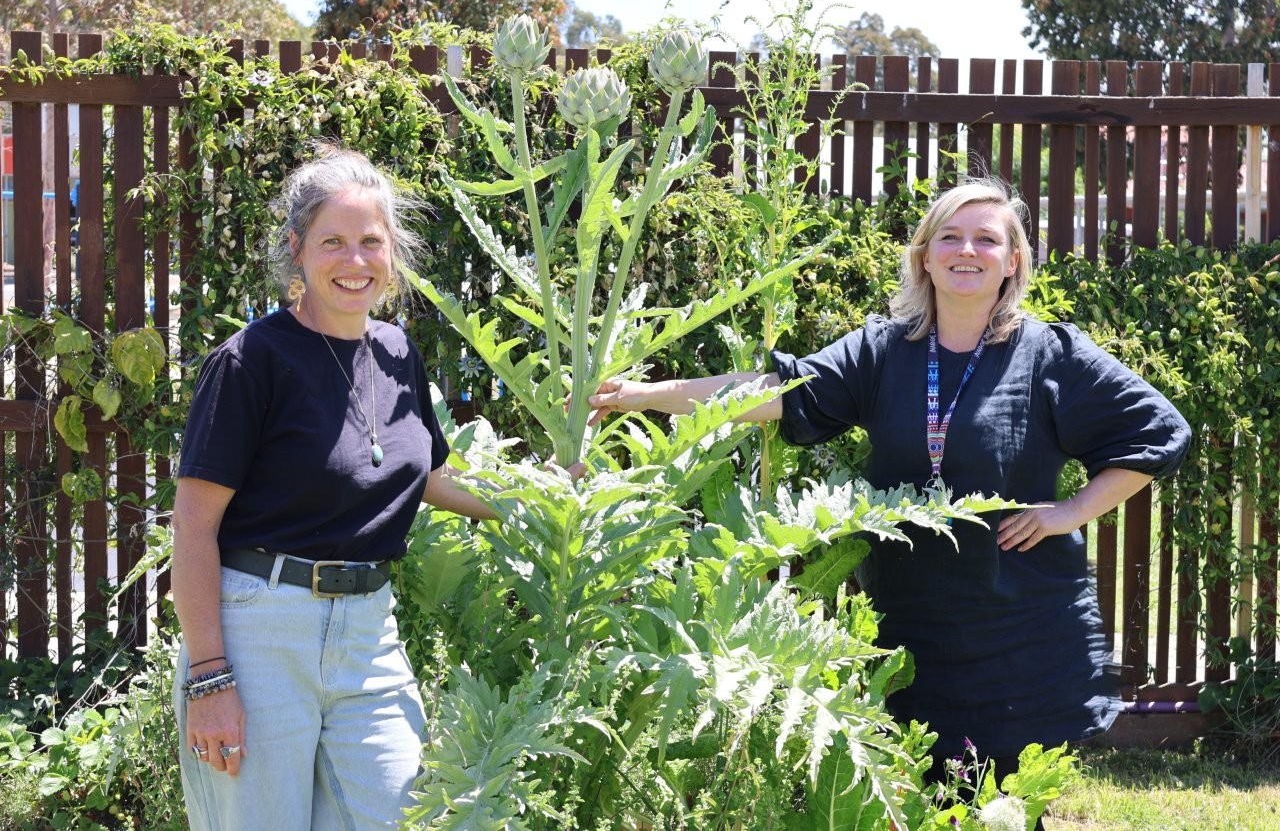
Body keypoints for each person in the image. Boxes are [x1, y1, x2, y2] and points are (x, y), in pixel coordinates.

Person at [587, 178, 1191, 818]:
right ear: (924, 256)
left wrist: (1070, 512)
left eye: (987, 239)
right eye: (950, 237)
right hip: (909, 626)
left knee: (1004, 812)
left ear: (1013, 261)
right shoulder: (883, 350)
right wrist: (645, 394)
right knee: (915, 802)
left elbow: (1159, 432)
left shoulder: (1048, 356)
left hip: (1015, 629)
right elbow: (775, 391)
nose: (967, 251)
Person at [171, 146, 493, 830]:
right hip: (259, 632)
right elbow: (194, 530)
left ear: (392, 251)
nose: (355, 261)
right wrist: (210, 678)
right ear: (297, 249)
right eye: (333, 242)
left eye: (370, 242)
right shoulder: (250, 362)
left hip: (370, 635)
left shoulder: (397, 351)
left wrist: (544, 497)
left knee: (401, 816)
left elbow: (430, 477)